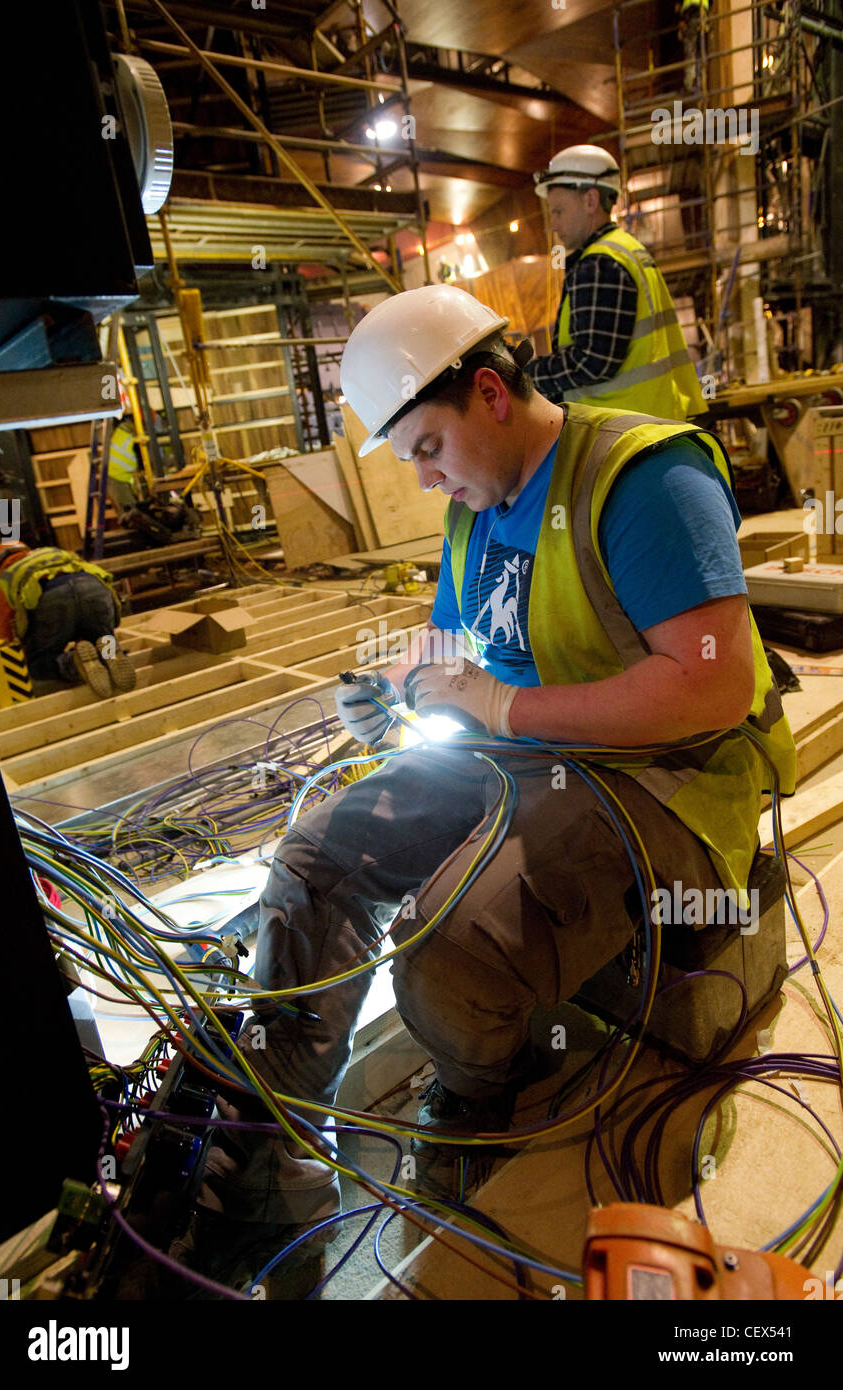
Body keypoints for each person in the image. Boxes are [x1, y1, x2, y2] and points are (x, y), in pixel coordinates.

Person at [173, 284, 794, 1294]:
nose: (423, 480)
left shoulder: (639, 478)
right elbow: (459, 643)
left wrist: (502, 710)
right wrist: (400, 688)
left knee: (449, 949)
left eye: (426, 448)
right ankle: (269, 1163)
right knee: (319, 857)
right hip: (531, 761)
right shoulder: (480, 503)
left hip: (667, 782)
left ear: (493, 394)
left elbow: (712, 680)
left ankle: (489, 1090)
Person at [530, 144, 705, 420]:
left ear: (590, 200)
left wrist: (527, 376)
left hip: (624, 427)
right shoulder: (627, 249)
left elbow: (592, 362)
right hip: (651, 419)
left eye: (559, 211)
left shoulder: (600, 263)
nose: (553, 224)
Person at [0, 541, 135, 698]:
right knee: (102, 638)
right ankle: (110, 653)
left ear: (0, 565)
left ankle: (73, 663)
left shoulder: (8, 575)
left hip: (52, 596)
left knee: (38, 664)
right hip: (93, 587)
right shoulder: (54, 553)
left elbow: (4, 622)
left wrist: (6, 661)